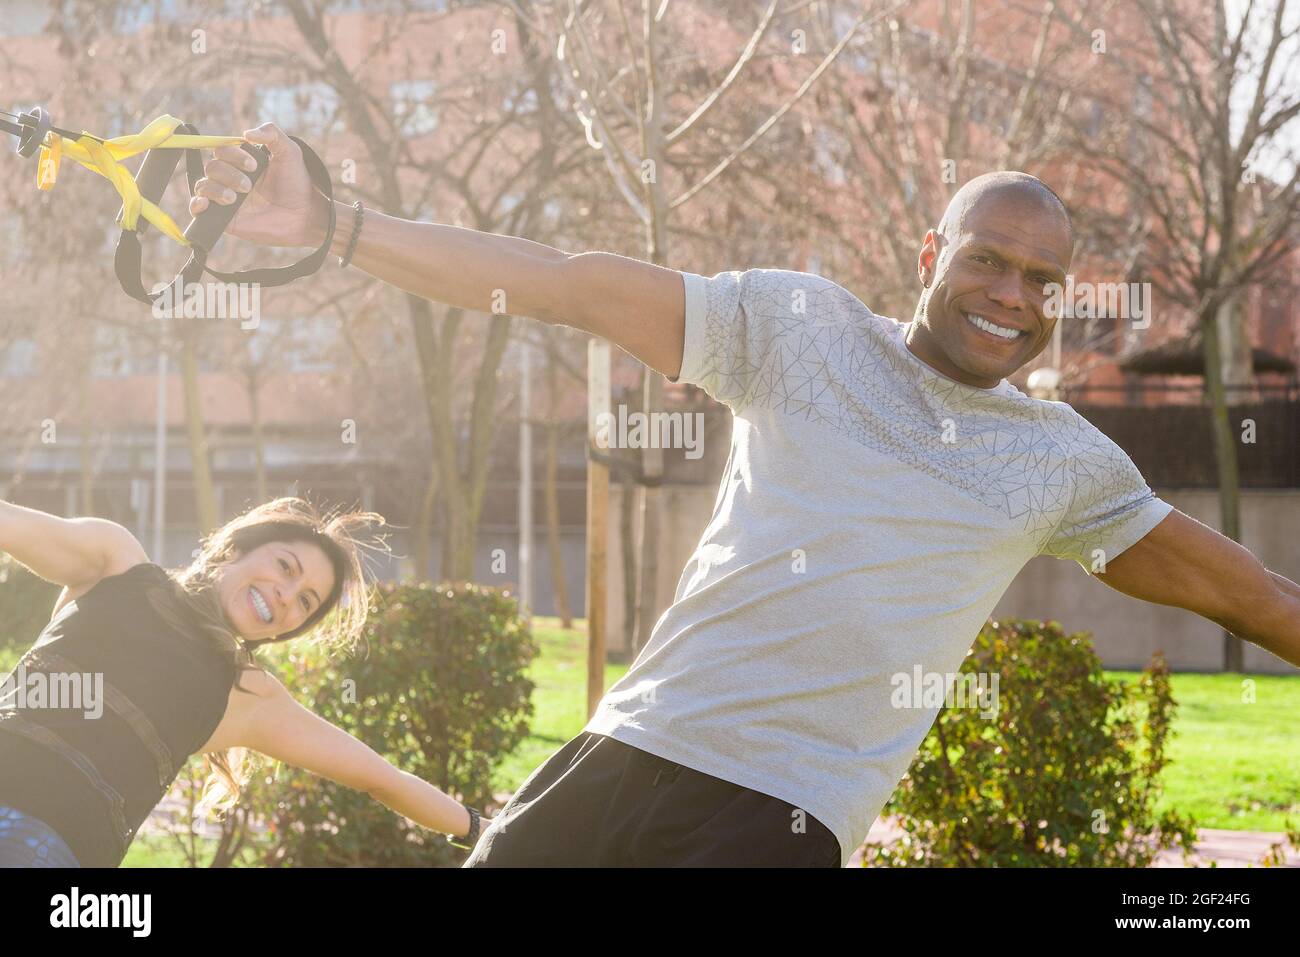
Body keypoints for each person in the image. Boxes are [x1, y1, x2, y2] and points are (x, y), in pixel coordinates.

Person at [190, 126, 1300, 867]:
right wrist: (335, 227)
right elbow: (565, 284)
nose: (1012, 297)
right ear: (929, 253)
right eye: (989, 260)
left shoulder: (1061, 461)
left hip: (778, 815)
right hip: (631, 745)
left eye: (1042, 282)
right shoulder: (798, 329)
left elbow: (1252, 599)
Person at [0, 496, 488, 867]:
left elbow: (382, 778)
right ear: (234, 547)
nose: (285, 594)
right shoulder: (115, 560)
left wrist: (482, 829)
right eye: (285, 567)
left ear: (283, 632)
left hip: (44, 846)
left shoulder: (246, 697)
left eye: (304, 602)